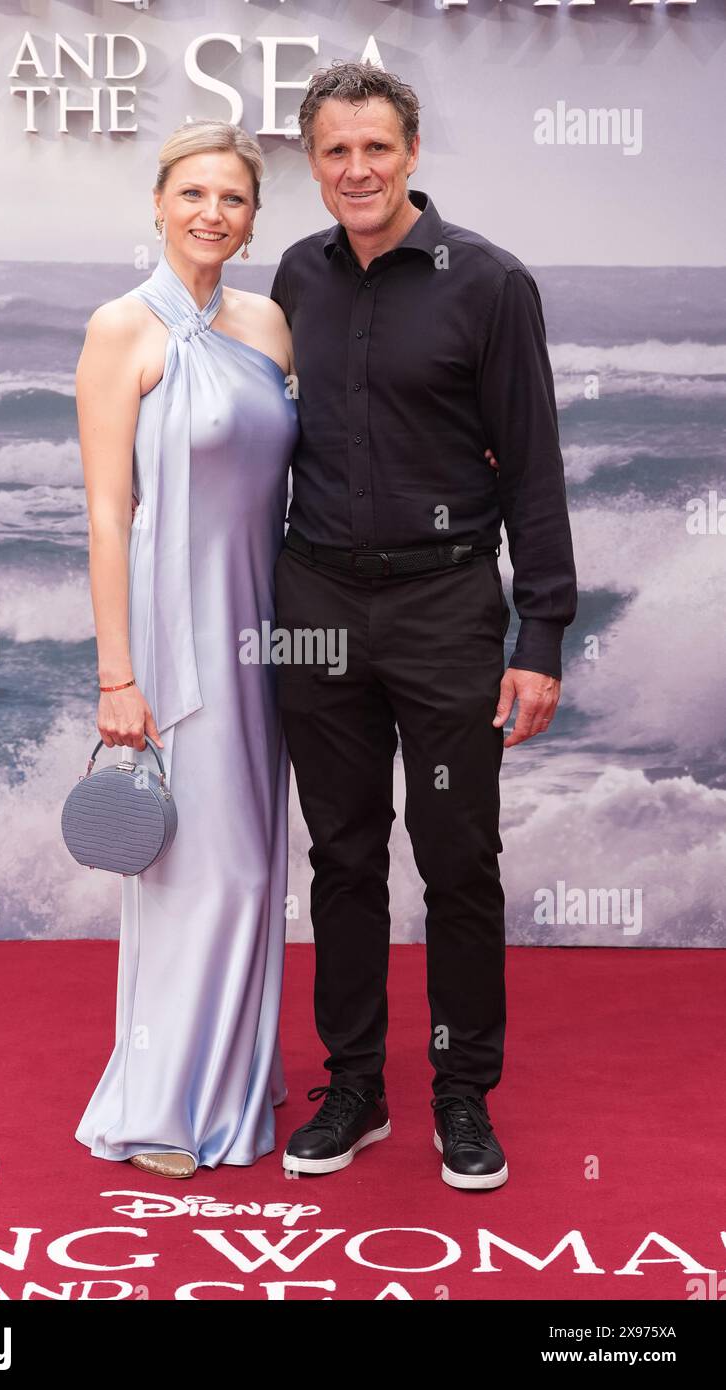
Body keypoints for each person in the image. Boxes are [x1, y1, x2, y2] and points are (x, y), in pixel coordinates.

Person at [270, 63, 577, 1189]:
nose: (355, 169)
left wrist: (538, 635)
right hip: (315, 603)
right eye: (334, 152)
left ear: (411, 155)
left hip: (445, 606)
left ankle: (461, 1094)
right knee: (340, 856)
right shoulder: (294, 273)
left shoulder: (488, 283)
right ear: (311, 162)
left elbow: (533, 466)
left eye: (376, 149)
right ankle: (354, 1087)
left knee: (456, 860)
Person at [73, 121, 298, 1178]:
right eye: (194, 193)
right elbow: (108, 514)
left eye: (234, 198)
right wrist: (118, 675)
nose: (213, 212)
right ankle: (163, 1098)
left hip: (264, 630)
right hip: (173, 632)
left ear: (254, 220)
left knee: (254, 866)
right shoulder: (121, 328)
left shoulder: (269, 324)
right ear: (158, 203)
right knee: (190, 870)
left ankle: (235, 1085)